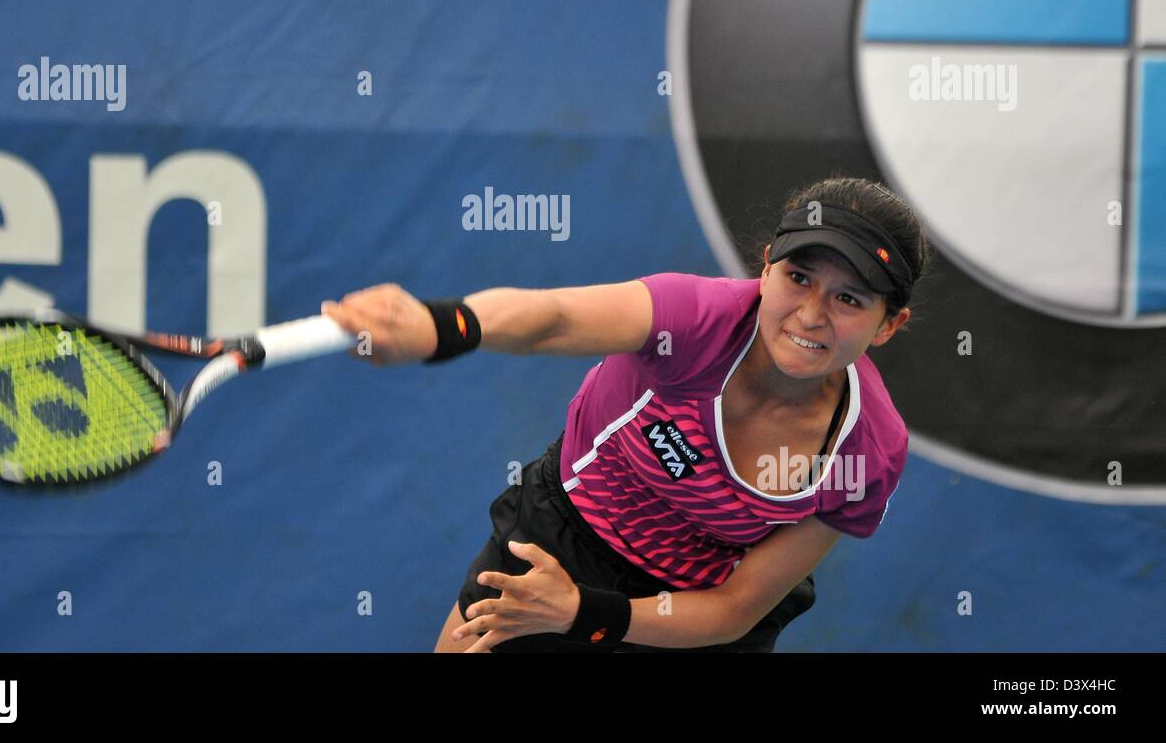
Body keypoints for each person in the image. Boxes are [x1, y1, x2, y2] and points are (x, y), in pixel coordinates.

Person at [319, 175, 932, 652]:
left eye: (849, 297)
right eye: (798, 277)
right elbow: (554, 317)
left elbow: (738, 606)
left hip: (699, 615)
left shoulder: (870, 451)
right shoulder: (691, 320)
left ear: (889, 325)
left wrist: (584, 614)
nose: (811, 313)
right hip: (561, 544)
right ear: (767, 267)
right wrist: (441, 327)